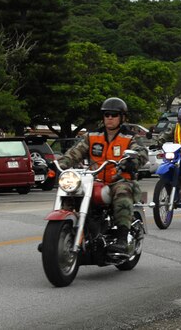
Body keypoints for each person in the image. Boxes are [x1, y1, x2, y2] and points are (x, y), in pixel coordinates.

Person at [57, 97, 148, 254]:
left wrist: (133, 161)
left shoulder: (130, 137)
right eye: (107, 114)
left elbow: (142, 152)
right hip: (94, 179)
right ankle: (59, 236)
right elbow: (74, 152)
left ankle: (121, 239)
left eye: (114, 114)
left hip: (119, 179)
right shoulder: (92, 136)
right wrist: (59, 165)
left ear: (122, 117)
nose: (110, 118)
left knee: (122, 192)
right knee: (71, 192)